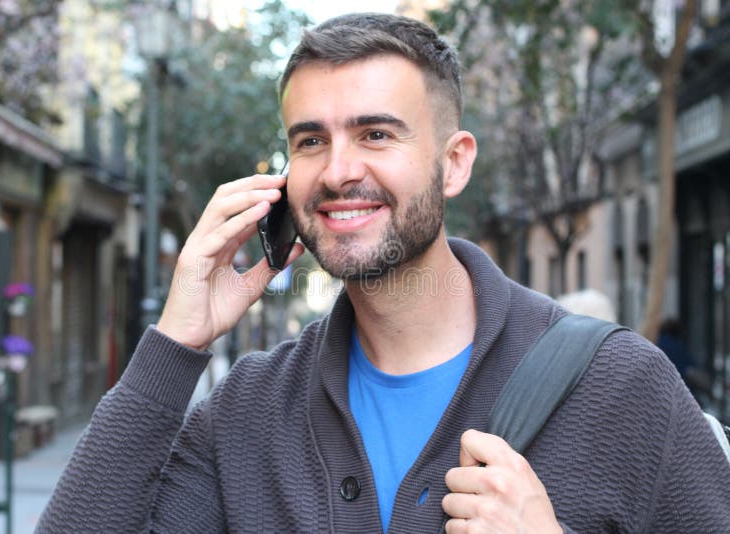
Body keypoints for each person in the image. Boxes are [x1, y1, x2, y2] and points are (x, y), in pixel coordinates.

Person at [37, 13, 730, 533]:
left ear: (454, 162)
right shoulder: (246, 414)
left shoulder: (622, 388)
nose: (338, 170)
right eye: (311, 141)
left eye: (376, 134)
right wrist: (175, 345)